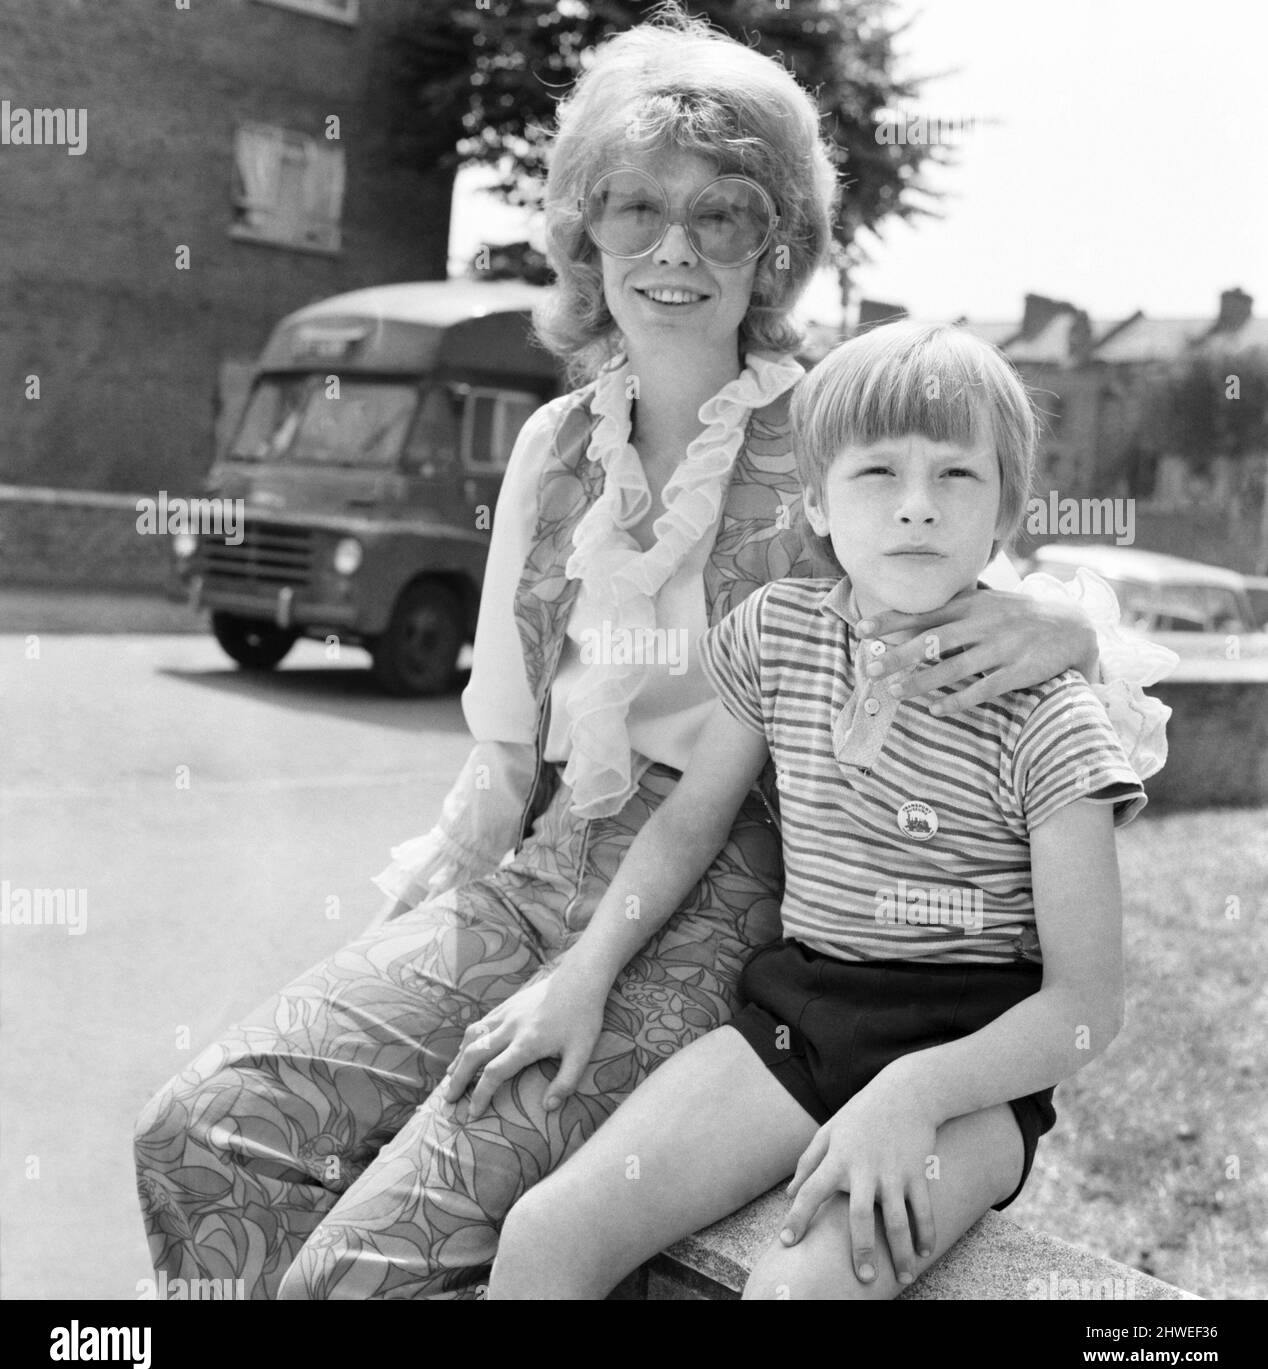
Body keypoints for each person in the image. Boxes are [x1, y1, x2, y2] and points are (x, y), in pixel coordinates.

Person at [133, 8, 1166, 1300]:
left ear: (774, 240)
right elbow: (508, 757)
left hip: (733, 899)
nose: (674, 249)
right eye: (634, 208)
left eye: (722, 212)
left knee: (376, 1254)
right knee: (198, 1129)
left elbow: (964, 550)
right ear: (584, 232)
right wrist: (412, 952)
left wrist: (1067, 625)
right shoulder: (555, 447)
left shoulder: (835, 438)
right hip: (549, 862)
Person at [480, 321, 1162, 1300]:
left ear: (1005, 509)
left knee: (794, 1295)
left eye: (956, 477)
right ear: (818, 504)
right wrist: (583, 971)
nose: (917, 508)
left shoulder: (1050, 717)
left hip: (971, 1079)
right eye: (877, 472)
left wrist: (914, 1091)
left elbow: (1086, 1011)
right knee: (547, 1234)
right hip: (799, 1020)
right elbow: (687, 821)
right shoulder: (782, 635)